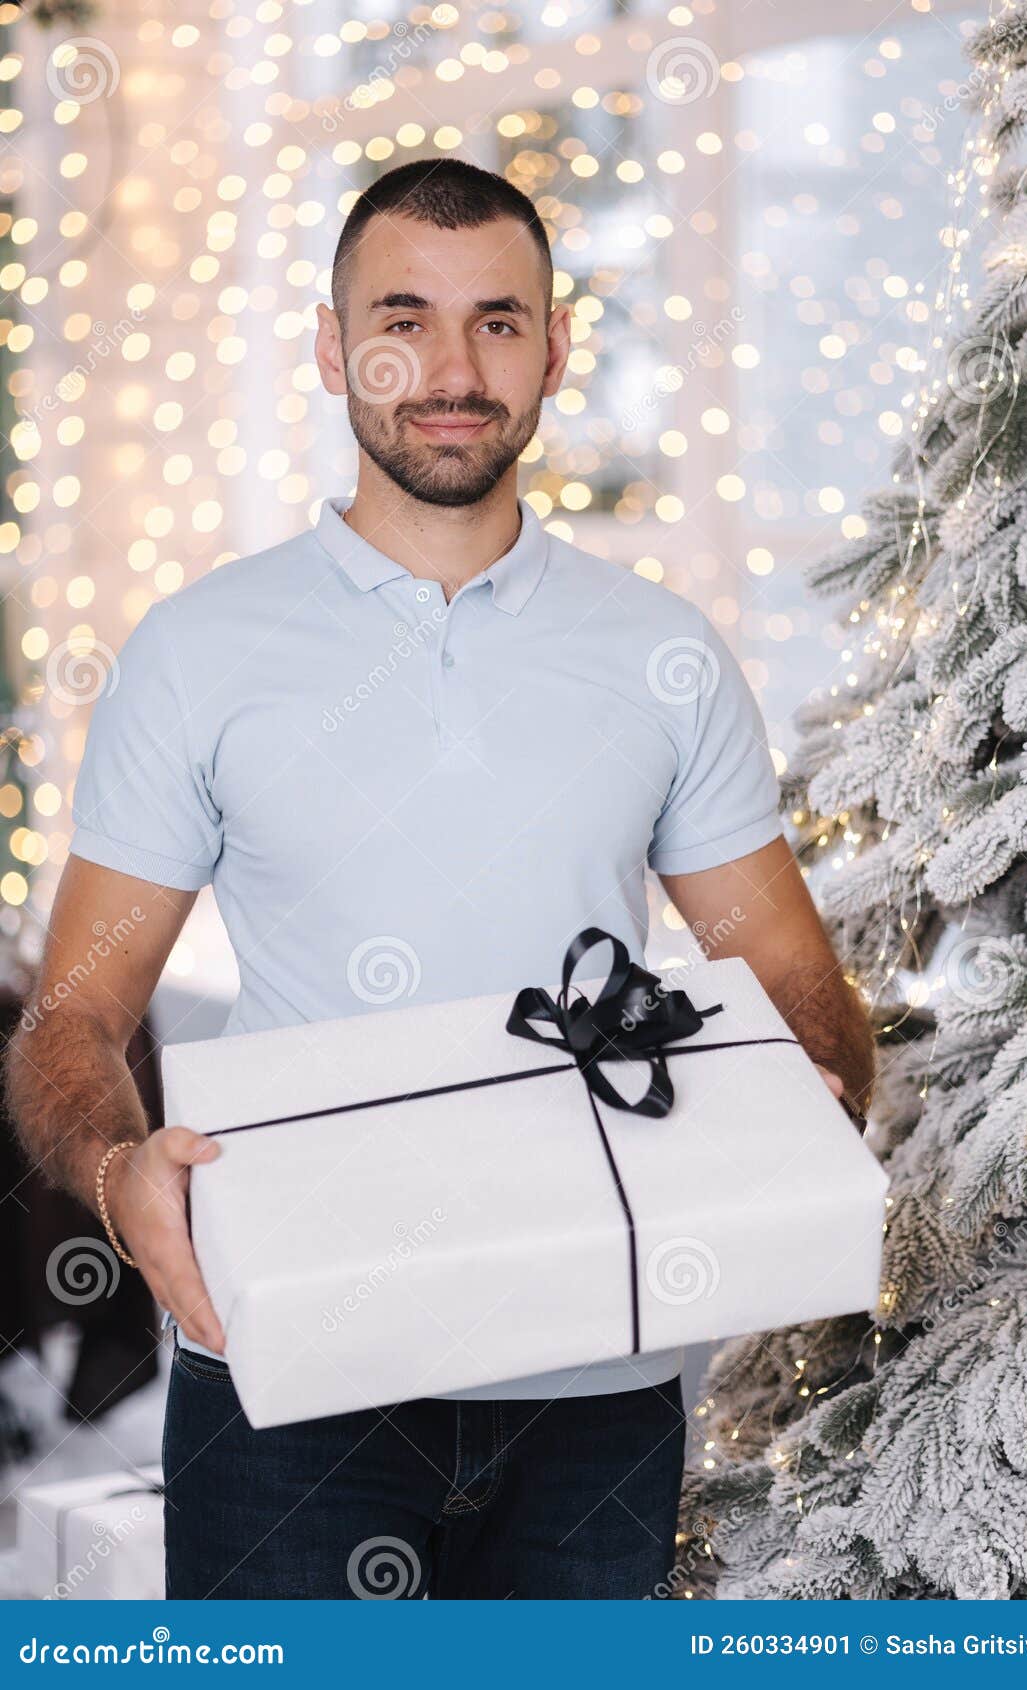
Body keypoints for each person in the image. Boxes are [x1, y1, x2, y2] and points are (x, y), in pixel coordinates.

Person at [5, 158, 874, 1600]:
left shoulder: (661, 655)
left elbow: (799, 992)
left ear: (554, 350)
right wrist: (114, 1172)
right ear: (337, 348)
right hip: (288, 1362)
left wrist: (792, 1121)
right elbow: (71, 1021)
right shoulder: (197, 650)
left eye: (499, 321)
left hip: (601, 1379)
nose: (452, 370)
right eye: (405, 320)